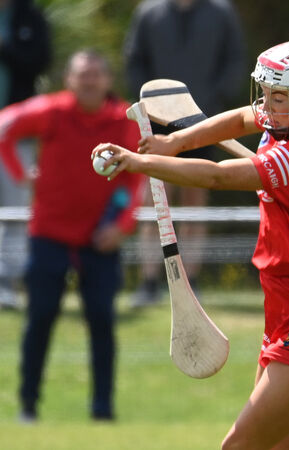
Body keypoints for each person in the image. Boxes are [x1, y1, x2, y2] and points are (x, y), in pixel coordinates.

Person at [93, 39, 289, 448]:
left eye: (278, 97)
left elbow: (218, 176)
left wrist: (140, 162)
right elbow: (243, 117)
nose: (266, 105)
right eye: (266, 93)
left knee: (239, 447)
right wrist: (175, 143)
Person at [0, 49, 144, 422]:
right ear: (69, 80)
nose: (89, 81)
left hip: (101, 238)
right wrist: (20, 173)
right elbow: (5, 127)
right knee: (40, 318)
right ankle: (28, 406)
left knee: (101, 321)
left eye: (96, 74)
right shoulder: (51, 111)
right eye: (82, 74)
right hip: (49, 233)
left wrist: (122, 226)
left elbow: (138, 177)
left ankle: (102, 411)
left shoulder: (124, 119)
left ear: (108, 80)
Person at [123, 0, 247, 306]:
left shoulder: (221, 12)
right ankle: (149, 283)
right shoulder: (148, 12)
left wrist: (214, 100)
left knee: (195, 201)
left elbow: (234, 61)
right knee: (155, 199)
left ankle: (191, 283)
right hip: (155, 122)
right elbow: (134, 61)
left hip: (204, 121)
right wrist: (150, 104)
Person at [0, 0, 51, 309]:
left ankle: (8, 282)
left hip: (17, 135)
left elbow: (39, 61)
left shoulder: (30, 16)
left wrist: (5, 47)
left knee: (15, 208)